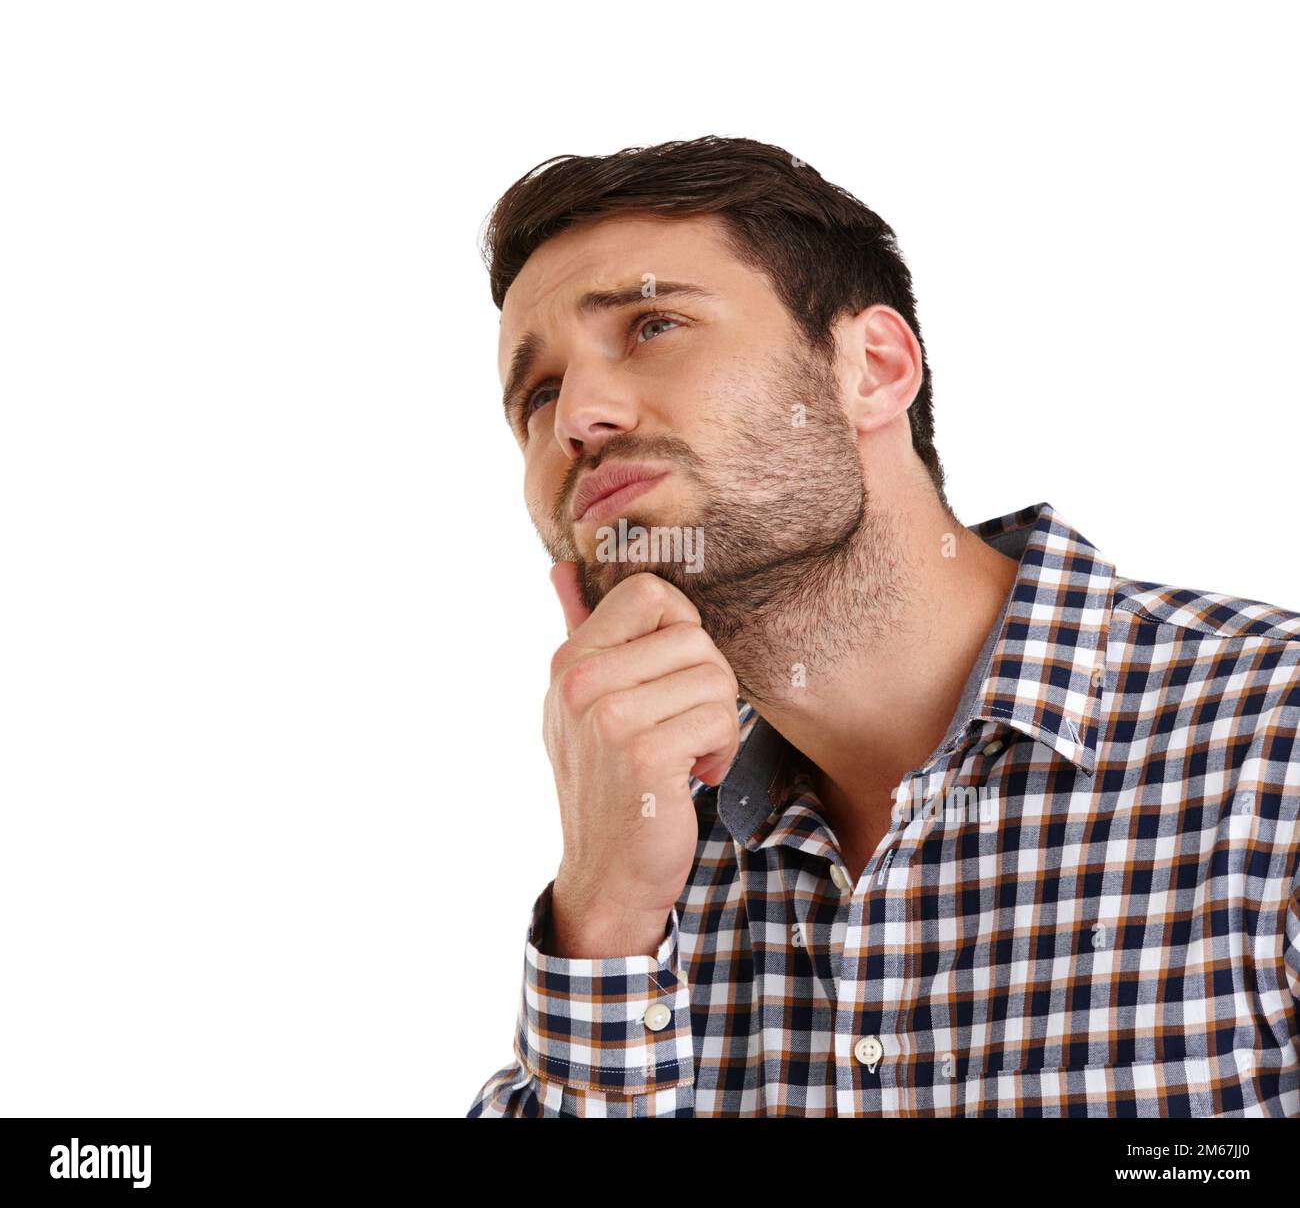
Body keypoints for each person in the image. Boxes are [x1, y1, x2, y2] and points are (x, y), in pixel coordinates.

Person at [467, 135, 1300, 1117]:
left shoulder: (1273, 750)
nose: (579, 417)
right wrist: (601, 921)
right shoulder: (637, 869)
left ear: (873, 367)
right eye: (537, 396)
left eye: (653, 326)